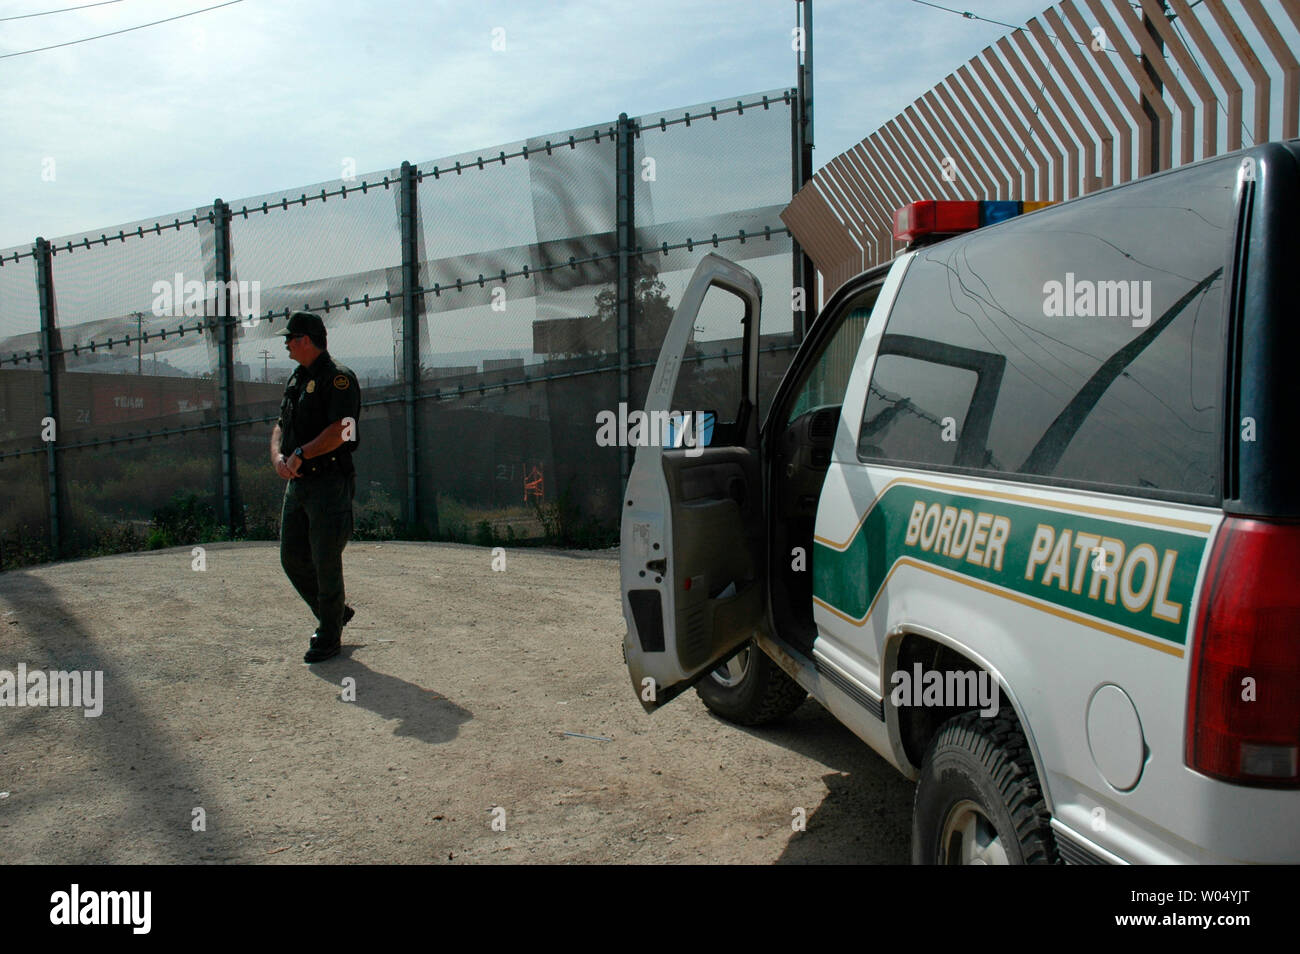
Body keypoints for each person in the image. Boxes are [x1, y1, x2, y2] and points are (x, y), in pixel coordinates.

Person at [270, 311, 361, 663]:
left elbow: (342, 430)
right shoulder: (297, 378)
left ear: (305, 340)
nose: (286, 345)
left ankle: (329, 633)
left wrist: (300, 453)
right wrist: (280, 456)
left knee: (325, 559)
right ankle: (334, 613)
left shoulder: (338, 379)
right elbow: (280, 424)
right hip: (298, 482)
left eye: (290, 339)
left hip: (328, 481)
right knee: (292, 557)